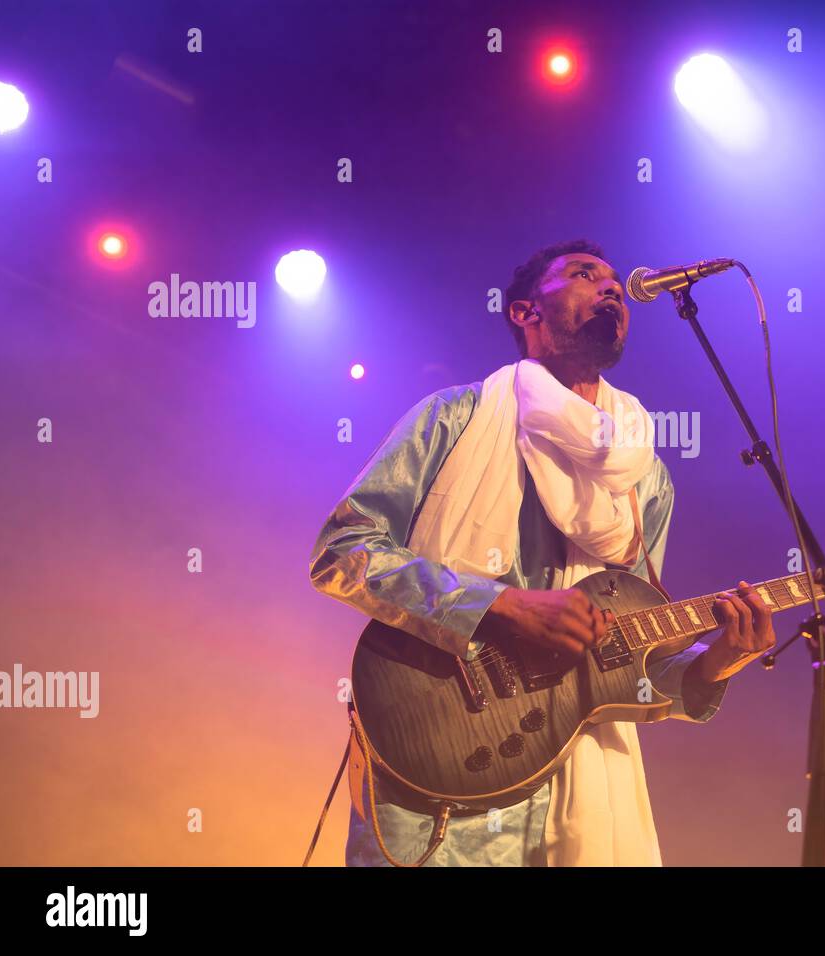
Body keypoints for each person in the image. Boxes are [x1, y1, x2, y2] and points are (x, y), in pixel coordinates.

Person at [308, 239, 775, 866]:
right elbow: (343, 552)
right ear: (526, 312)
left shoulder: (646, 479)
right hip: (438, 763)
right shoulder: (454, 418)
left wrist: (718, 661)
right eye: (585, 275)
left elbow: (628, 662)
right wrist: (499, 605)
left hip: (569, 782)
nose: (610, 287)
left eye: (615, 281)